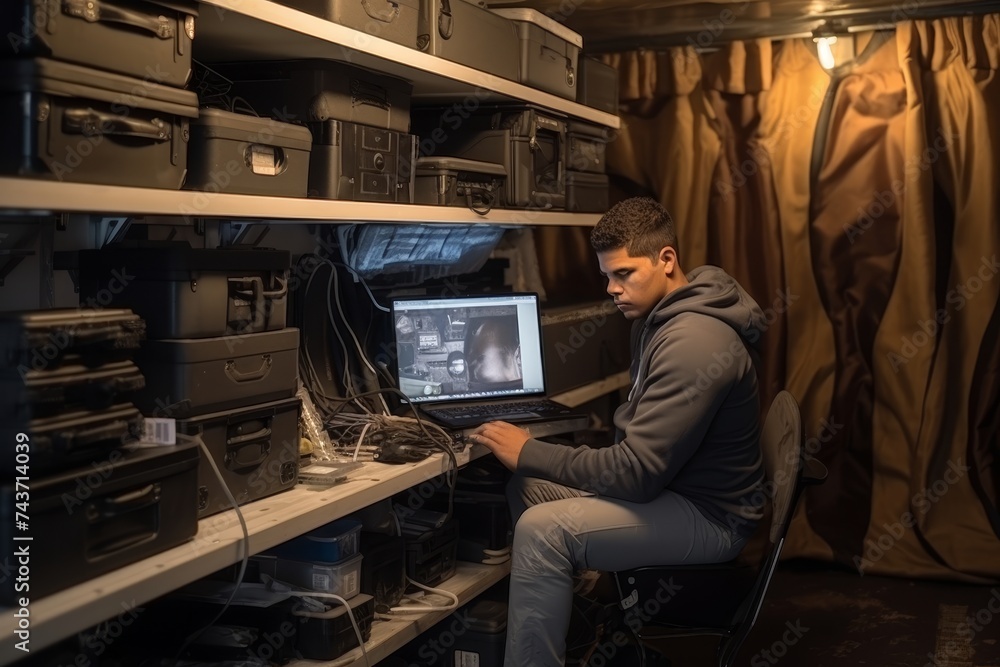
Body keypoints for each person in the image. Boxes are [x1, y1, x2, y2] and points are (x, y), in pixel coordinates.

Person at [471, 197, 768, 666]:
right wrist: (533, 460)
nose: (611, 288)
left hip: (710, 518)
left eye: (624, 274)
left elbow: (637, 473)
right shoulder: (662, 316)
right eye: (607, 275)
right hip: (674, 490)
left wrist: (529, 449)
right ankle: (593, 615)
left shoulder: (695, 342)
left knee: (543, 529)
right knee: (528, 489)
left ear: (666, 260)